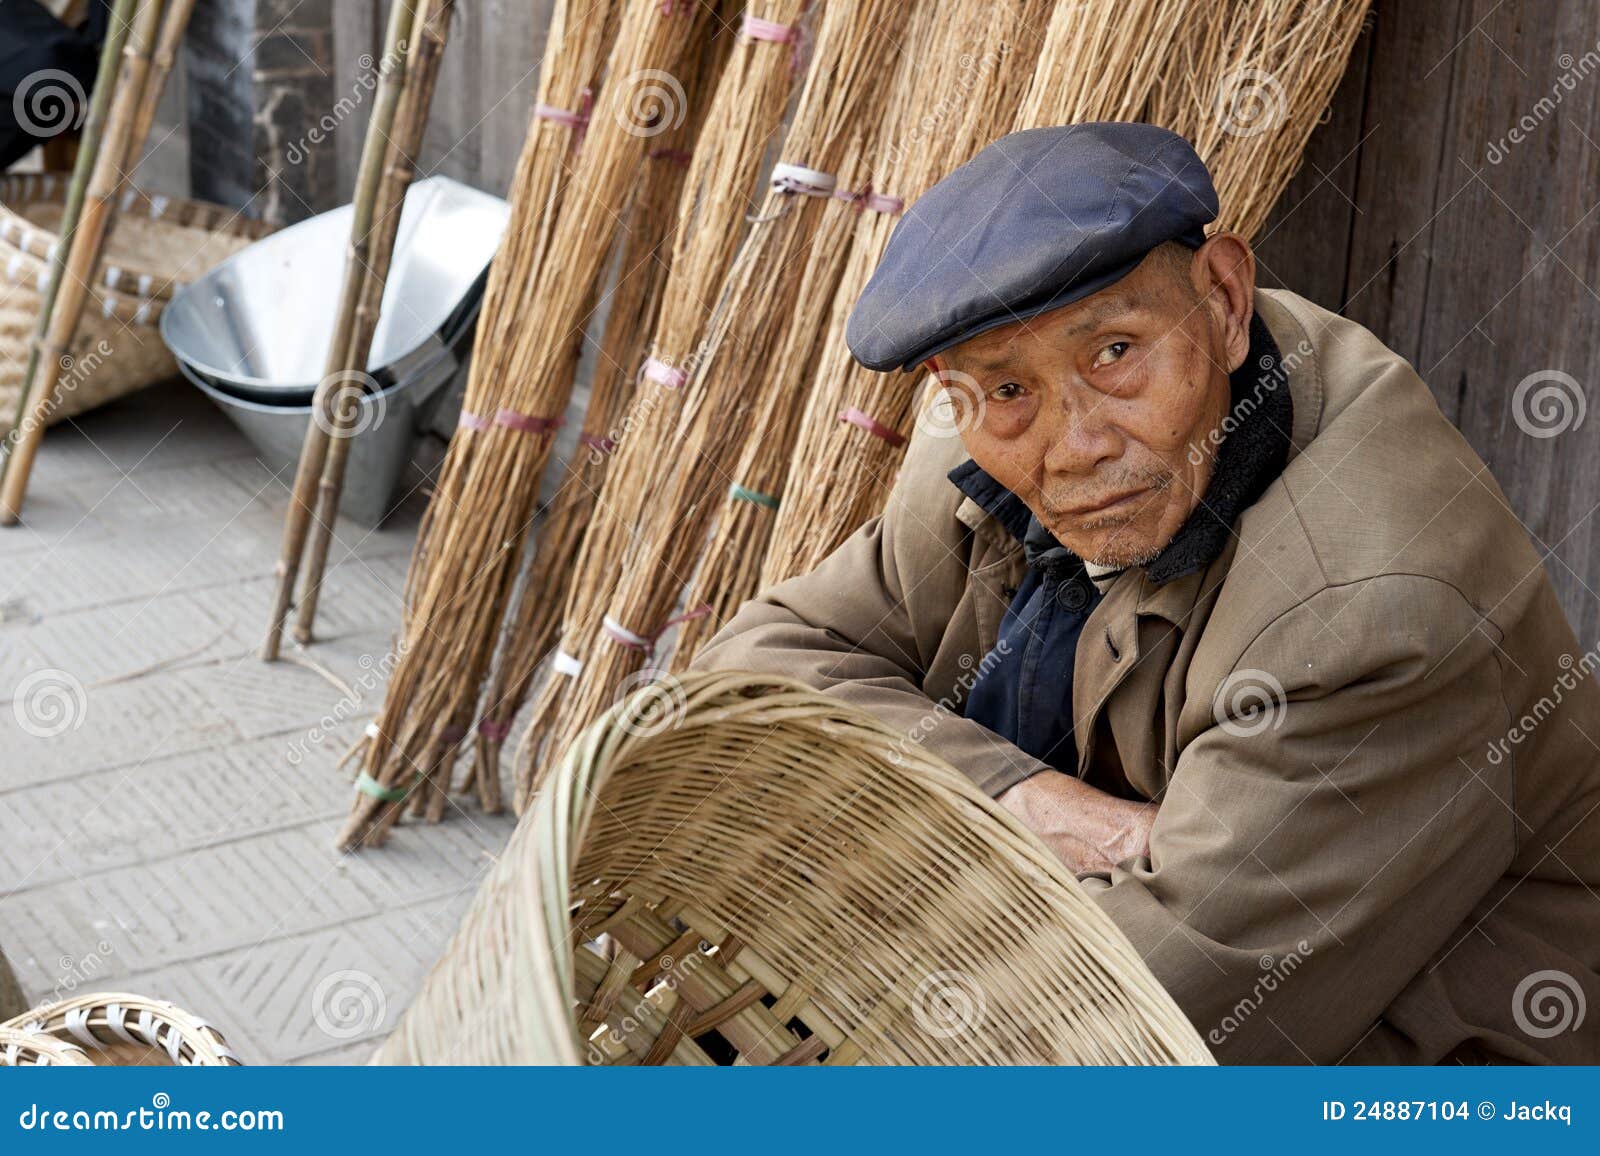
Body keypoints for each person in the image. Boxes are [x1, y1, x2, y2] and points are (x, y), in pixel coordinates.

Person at [692, 123, 1600, 1064]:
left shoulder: (1368, 610)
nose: (1077, 446)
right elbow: (746, 677)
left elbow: (1123, 1035)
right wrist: (1020, 798)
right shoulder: (986, 450)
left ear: (1225, 300)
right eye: (1009, 391)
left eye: (1116, 352)